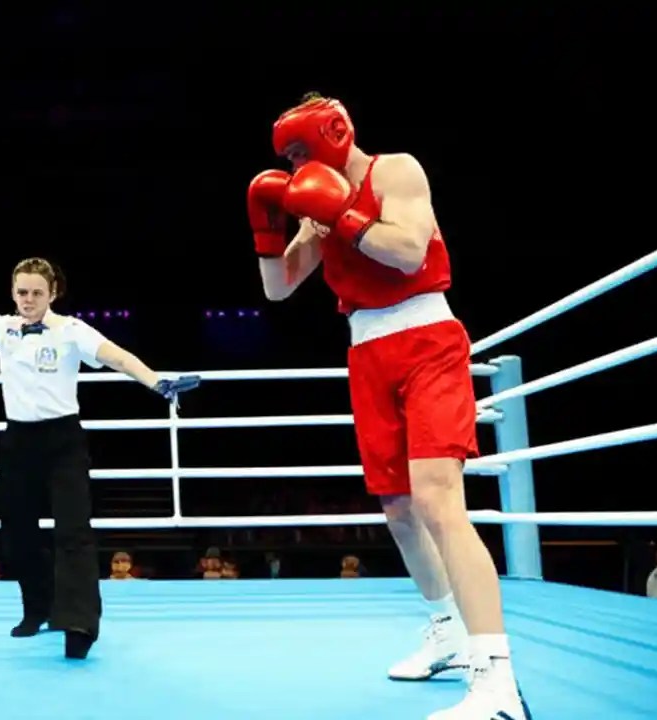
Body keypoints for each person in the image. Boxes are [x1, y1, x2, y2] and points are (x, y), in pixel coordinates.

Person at [245, 93, 531, 720]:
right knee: (399, 508)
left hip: (426, 337)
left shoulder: (395, 171)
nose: (294, 164)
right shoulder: (309, 198)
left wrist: (341, 213)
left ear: (333, 130)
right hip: (367, 350)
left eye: (299, 149)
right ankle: (448, 631)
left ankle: (498, 682)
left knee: (436, 499)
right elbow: (277, 289)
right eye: (287, 156)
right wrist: (270, 228)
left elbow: (406, 251)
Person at [0, 219, 198, 659]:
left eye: (36, 293)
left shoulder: (73, 331)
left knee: (74, 532)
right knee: (17, 534)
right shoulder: (2, 329)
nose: (28, 300)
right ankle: (39, 609)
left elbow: (119, 357)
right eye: (21, 292)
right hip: (18, 441)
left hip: (64, 441)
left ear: (52, 294)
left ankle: (80, 625)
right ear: (13, 293)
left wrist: (154, 381)